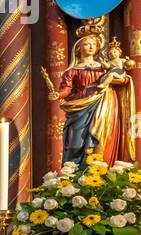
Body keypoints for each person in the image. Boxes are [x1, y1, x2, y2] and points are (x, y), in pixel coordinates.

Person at [49, 32, 135, 166]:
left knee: (102, 137)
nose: (91, 46)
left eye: (94, 44)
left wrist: (122, 79)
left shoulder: (104, 66)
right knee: (75, 142)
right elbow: (66, 89)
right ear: (78, 48)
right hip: (80, 105)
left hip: (104, 102)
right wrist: (58, 95)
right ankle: (73, 174)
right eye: (87, 44)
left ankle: (99, 173)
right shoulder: (71, 71)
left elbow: (121, 78)